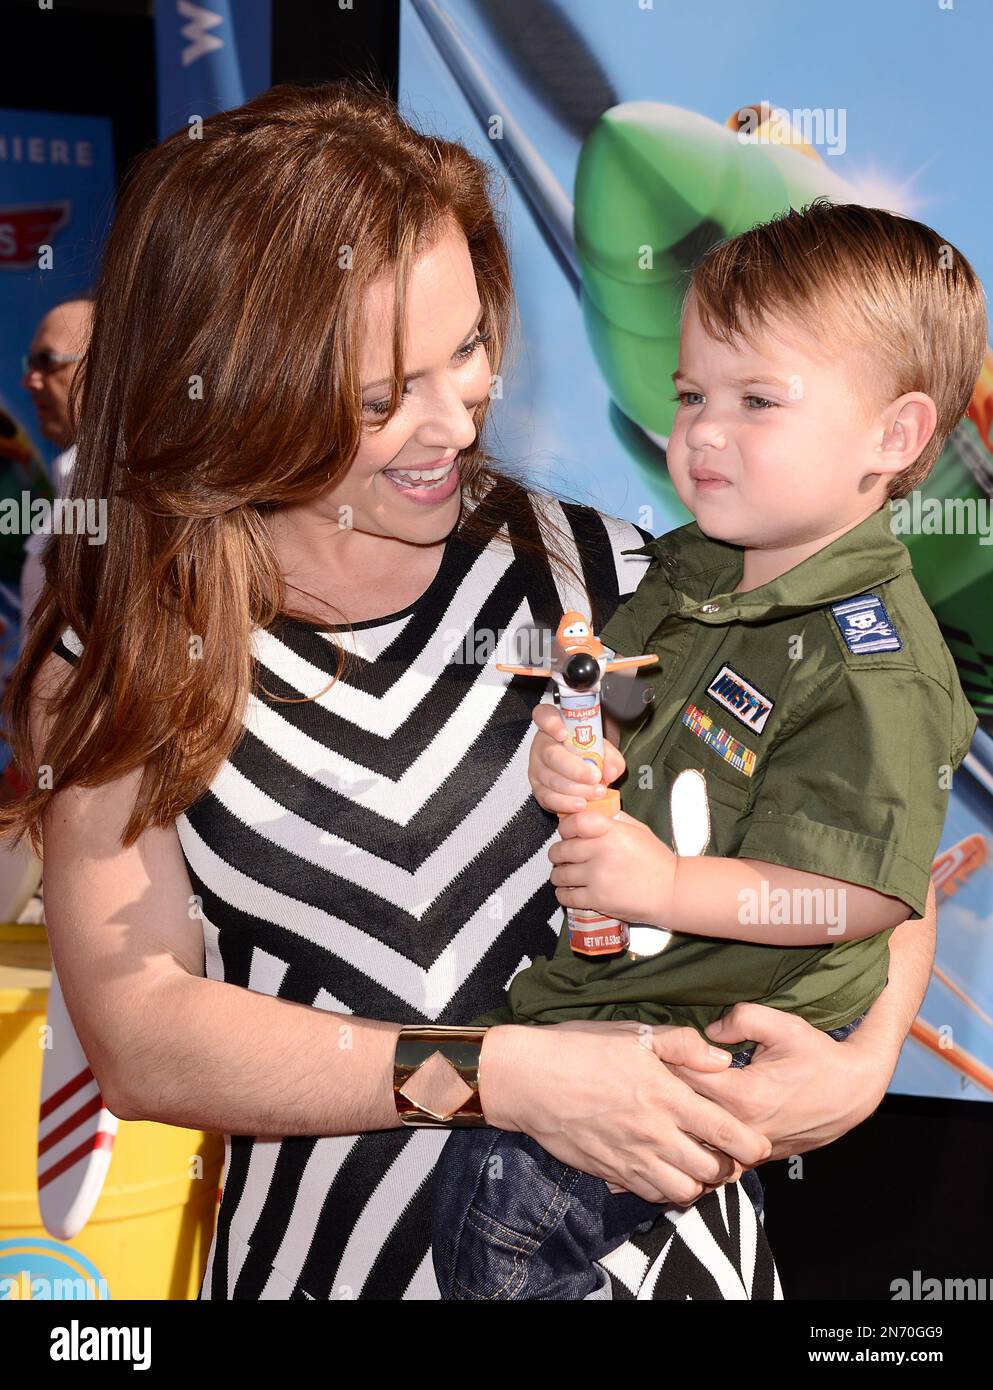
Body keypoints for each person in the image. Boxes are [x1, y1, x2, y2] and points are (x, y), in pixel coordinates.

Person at [0, 83, 938, 1303]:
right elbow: (144, 1037)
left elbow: (871, 819)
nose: (452, 422)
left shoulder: (614, 577)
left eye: (467, 351)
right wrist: (497, 1071)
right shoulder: (126, 657)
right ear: (236, 380)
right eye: (383, 396)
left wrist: (860, 1065)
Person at [431, 200, 983, 1300]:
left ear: (896, 436)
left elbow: (852, 897)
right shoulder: (695, 568)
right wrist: (578, 746)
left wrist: (666, 882)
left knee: (501, 1227)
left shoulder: (877, 669)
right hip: (604, 1013)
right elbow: (628, 698)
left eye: (757, 401)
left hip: (701, 1042)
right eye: (691, 395)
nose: (702, 431)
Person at [19, 296, 91, 651]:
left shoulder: (141, 496)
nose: (29, 381)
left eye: (46, 362)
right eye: (30, 363)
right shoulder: (72, 482)